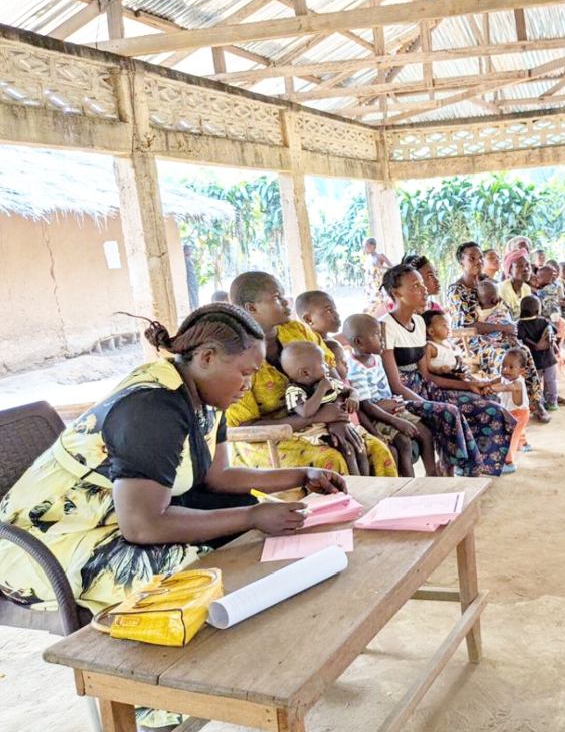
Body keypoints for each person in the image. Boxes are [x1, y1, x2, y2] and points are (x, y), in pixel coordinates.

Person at [0, 303, 344, 730]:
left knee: (241, 532)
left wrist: (300, 475)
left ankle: (258, 665)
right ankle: (156, 701)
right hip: (49, 543)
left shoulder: (206, 394)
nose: (250, 384)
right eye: (246, 372)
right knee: (194, 570)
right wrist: (254, 515)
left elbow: (217, 477)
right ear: (206, 358)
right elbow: (143, 526)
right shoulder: (152, 408)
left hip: (118, 517)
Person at [227, 272, 396, 477]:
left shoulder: (297, 331)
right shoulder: (235, 354)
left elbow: (331, 377)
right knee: (330, 461)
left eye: (284, 295)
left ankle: (380, 508)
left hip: (323, 420)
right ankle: (348, 508)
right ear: (251, 308)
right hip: (269, 439)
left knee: (375, 450)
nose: (287, 303)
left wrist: (338, 419)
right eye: (276, 298)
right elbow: (246, 427)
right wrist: (314, 418)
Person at [381, 263, 516, 475]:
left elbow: (426, 375)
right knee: (449, 412)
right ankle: (445, 473)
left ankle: (469, 469)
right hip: (403, 396)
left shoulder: (418, 321)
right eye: (416, 285)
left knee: (490, 406)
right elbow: (395, 384)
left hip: (425, 387)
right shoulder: (386, 326)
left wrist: (468, 384)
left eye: (422, 283)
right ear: (396, 292)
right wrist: (429, 405)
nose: (424, 289)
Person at [447, 242, 550, 423]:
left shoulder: (487, 283)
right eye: (472, 258)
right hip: (472, 342)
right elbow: (466, 325)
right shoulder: (457, 290)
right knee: (505, 357)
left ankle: (535, 402)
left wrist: (509, 330)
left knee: (522, 351)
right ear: (461, 262)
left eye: (480, 258)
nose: (478, 262)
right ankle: (505, 408)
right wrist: (503, 329)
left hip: (499, 334)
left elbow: (504, 310)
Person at [342, 314, 436, 478]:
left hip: (393, 410)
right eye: (377, 335)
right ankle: (408, 481)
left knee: (426, 433)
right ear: (358, 342)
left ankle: (433, 475)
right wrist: (396, 421)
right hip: (377, 418)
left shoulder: (377, 359)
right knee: (404, 442)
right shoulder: (356, 370)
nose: (382, 338)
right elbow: (366, 407)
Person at [280, 340, 368, 475]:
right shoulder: (294, 391)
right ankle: (354, 487)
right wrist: (322, 388)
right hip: (314, 431)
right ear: (305, 373)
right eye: (322, 363)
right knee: (348, 451)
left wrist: (353, 398)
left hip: (335, 425)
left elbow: (351, 390)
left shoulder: (328, 381)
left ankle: (366, 482)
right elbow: (306, 412)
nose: (327, 366)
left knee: (360, 448)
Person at [488, 348, 531, 474]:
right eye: (503, 366)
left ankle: (508, 462)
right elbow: (491, 382)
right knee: (519, 431)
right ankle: (523, 444)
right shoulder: (504, 377)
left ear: (521, 371)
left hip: (519, 413)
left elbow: (506, 387)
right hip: (512, 412)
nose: (506, 370)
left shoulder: (517, 383)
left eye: (511, 367)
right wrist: (483, 384)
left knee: (510, 437)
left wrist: (490, 389)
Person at [518, 295, 559, 412]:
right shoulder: (543, 321)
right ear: (538, 310)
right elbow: (554, 329)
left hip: (534, 361)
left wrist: (535, 346)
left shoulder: (520, 324)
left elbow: (521, 338)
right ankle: (552, 402)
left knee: (536, 382)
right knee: (551, 381)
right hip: (549, 359)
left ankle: (539, 402)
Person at [424, 309, 470, 378]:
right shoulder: (430, 347)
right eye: (444, 325)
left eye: (448, 324)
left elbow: (454, 353)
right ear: (431, 332)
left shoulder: (447, 342)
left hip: (459, 372)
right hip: (444, 377)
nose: (448, 328)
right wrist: (438, 370)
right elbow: (426, 367)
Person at [362, 237, 393, 316]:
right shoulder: (368, 258)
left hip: (378, 285)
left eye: (367, 246)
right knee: (369, 305)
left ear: (372, 246)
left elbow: (392, 268)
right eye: (364, 247)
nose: (365, 249)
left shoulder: (380, 256)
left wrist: (381, 267)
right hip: (370, 286)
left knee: (379, 303)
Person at [499, 250, 534, 318]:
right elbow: (504, 319)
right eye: (520, 266)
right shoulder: (503, 289)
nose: (526, 269)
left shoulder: (526, 288)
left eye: (527, 265)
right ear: (509, 271)